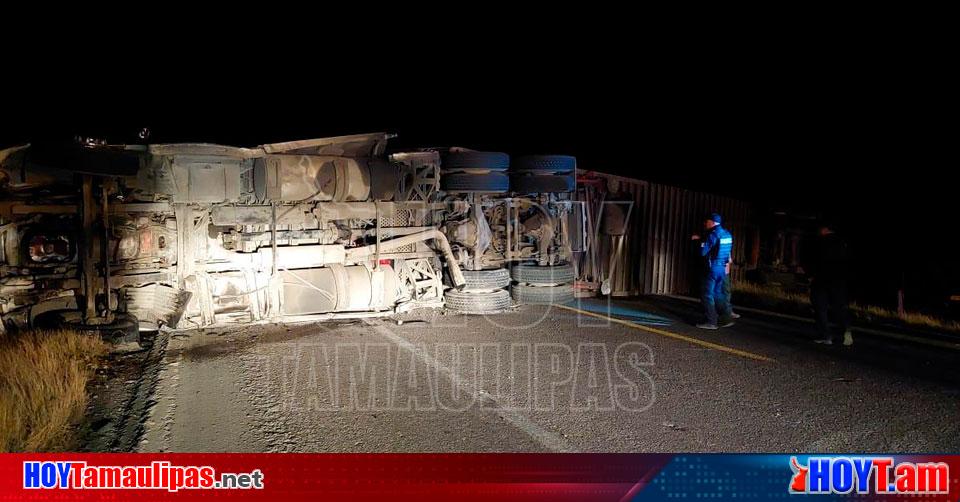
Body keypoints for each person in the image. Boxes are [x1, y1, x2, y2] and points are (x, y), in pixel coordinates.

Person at [805, 223, 853, 346]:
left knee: (820, 307)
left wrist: (810, 275)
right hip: (838, 280)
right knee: (839, 307)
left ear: (824, 229)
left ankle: (826, 335)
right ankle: (846, 332)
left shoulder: (820, 242)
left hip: (822, 280)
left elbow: (814, 260)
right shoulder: (842, 243)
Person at [692, 213, 734, 329]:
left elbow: (703, 252)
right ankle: (726, 318)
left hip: (712, 268)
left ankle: (711, 321)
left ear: (712, 222)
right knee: (718, 293)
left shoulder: (713, 235)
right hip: (722, 269)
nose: (705, 224)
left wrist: (700, 243)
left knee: (707, 295)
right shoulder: (727, 234)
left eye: (707, 221)